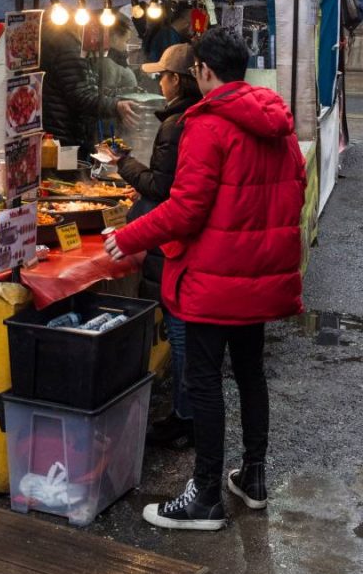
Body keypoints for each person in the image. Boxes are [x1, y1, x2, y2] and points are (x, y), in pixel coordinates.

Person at [104, 27, 306, 530]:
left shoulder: (208, 124)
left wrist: (129, 237)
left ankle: (205, 497)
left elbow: (185, 209)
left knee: (204, 380)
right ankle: (253, 478)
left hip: (214, 281)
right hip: (256, 278)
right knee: (250, 373)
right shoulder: (276, 121)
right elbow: (294, 189)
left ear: (203, 71)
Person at [102, 43, 201, 449]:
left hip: (175, 246)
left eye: (162, 74)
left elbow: (161, 190)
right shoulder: (195, 117)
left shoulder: (178, 122)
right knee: (186, 338)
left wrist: (121, 161)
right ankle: (187, 413)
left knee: (181, 336)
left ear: (176, 79)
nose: (158, 80)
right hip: (185, 245)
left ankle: (186, 417)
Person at [40, 13, 139, 159]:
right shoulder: (69, 45)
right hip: (62, 135)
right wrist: (116, 105)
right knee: (62, 178)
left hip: (62, 132)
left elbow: (86, 89)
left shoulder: (71, 42)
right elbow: (80, 95)